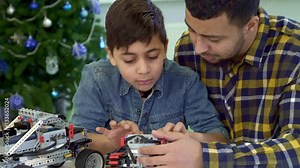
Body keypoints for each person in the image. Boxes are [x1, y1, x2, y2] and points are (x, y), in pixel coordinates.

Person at [138, 0, 300, 167]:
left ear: (250, 25)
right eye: (192, 29)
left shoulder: (294, 51)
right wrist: (191, 139)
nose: (198, 48)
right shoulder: (186, 49)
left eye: (214, 39)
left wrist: (205, 157)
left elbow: (296, 148)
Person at [70, 0, 228, 155]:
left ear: (165, 47)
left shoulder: (185, 82)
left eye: (152, 56)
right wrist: (111, 143)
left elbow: (220, 139)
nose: (144, 70)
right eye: (129, 60)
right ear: (111, 54)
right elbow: (76, 139)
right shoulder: (97, 79)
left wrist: (189, 137)